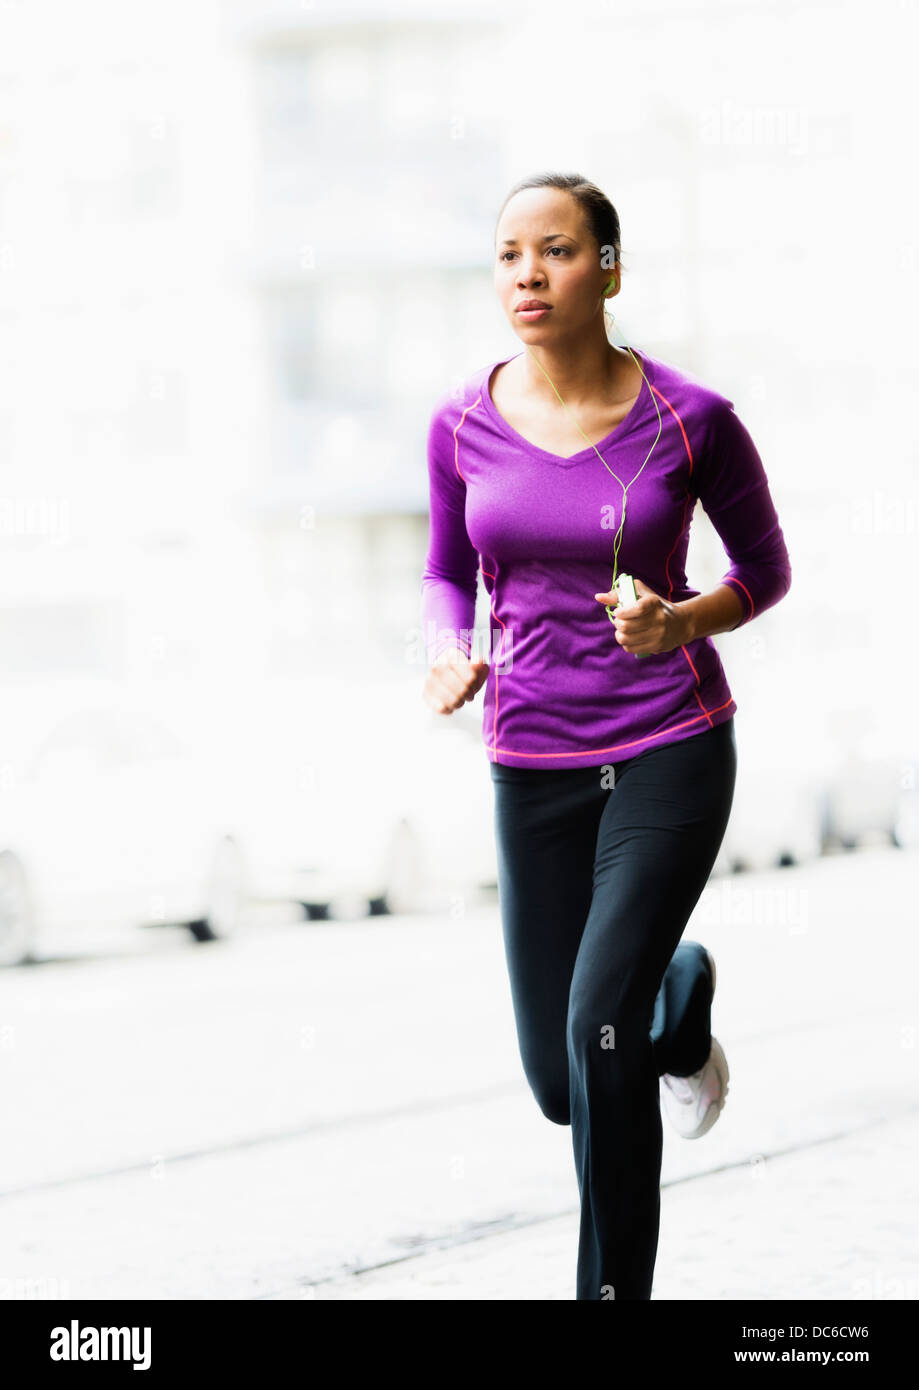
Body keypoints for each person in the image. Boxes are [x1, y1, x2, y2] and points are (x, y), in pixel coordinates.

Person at [419, 172, 791, 1301]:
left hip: (669, 743)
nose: (528, 273)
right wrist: (447, 648)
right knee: (560, 1079)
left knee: (595, 1031)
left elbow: (763, 570)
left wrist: (679, 618)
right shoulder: (461, 424)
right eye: (509, 255)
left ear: (609, 268)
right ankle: (677, 1001)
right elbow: (444, 569)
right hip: (532, 757)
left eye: (558, 250)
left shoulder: (691, 417)